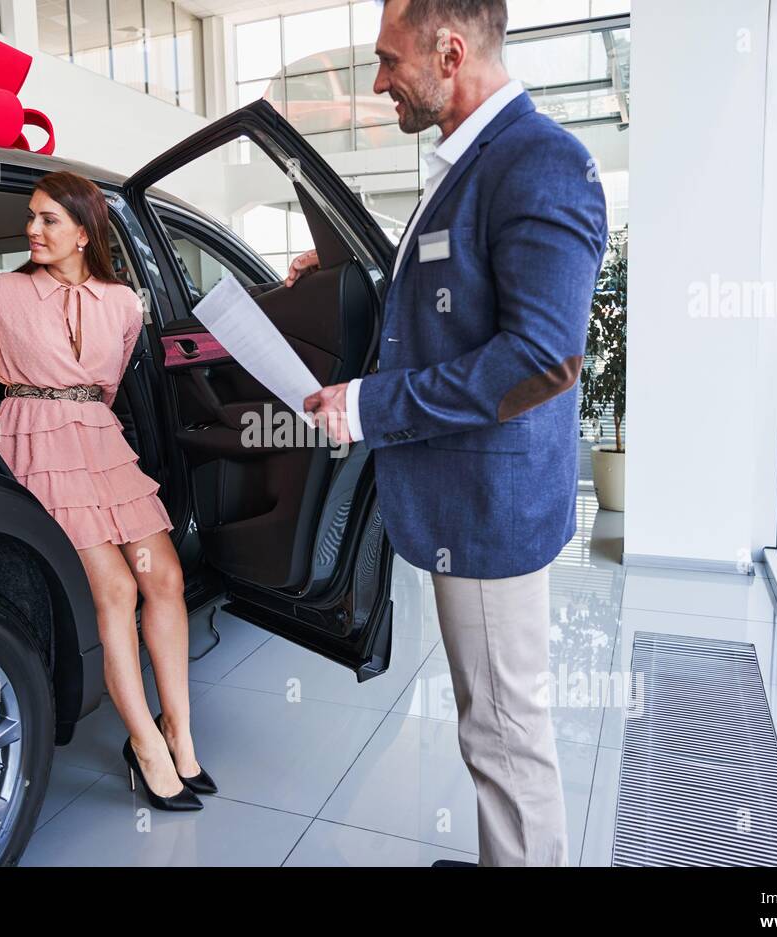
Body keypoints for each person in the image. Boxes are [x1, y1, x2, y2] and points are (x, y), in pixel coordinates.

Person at [298, 0, 608, 865]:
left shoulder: (541, 163)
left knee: (504, 740)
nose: (378, 81)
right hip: (468, 498)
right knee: (494, 726)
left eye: (389, 60)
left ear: (450, 50)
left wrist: (367, 407)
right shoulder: (475, 160)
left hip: (486, 509)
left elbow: (540, 359)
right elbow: (453, 303)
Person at [0, 171, 215, 812]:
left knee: (164, 578)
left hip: (99, 438)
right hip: (36, 440)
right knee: (113, 589)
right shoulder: (4, 292)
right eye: (30, 217)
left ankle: (181, 733)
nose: (32, 229)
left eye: (49, 220)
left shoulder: (122, 302)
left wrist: (81, 413)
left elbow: (109, 387)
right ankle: (145, 745)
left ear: (84, 233)